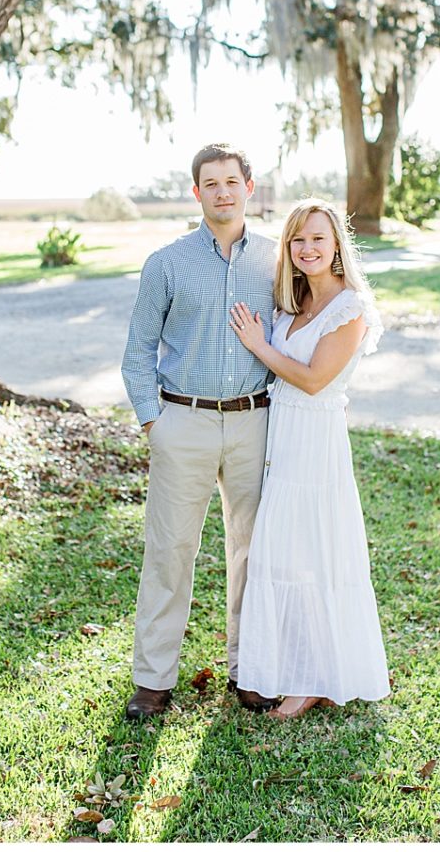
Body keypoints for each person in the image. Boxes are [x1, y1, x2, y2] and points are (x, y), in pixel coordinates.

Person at [119, 142, 279, 720]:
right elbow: (138, 351)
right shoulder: (166, 263)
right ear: (196, 193)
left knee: (253, 550)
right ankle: (153, 679)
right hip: (182, 420)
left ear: (248, 188)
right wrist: (153, 421)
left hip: (254, 419)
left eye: (231, 181)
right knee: (170, 551)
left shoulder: (276, 260)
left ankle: (249, 670)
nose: (222, 192)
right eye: (210, 183)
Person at [229, 199, 391, 717]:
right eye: (297, 239)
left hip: (316, 444)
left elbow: (315, 380)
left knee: (314, 554)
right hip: (284, 438)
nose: (307, 248)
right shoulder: (293, 303)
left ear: (337, 244)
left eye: (318, 238)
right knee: (281, 553)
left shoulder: (350, 308)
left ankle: (316, 679)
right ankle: (289, 665)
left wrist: (258, 345)